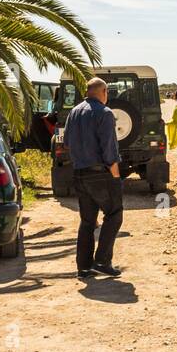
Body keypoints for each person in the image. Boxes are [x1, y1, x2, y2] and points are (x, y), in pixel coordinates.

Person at [63, 76, 124, 278]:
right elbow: (109, 149)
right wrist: (115, 176)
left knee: (88, 221)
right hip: (100, 174)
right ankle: (102, 261)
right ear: (104, 92)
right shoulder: (105, 113)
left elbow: (68, 144)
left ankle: (84, 267)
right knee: (114, 215)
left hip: (79, 173)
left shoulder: (74, 112)